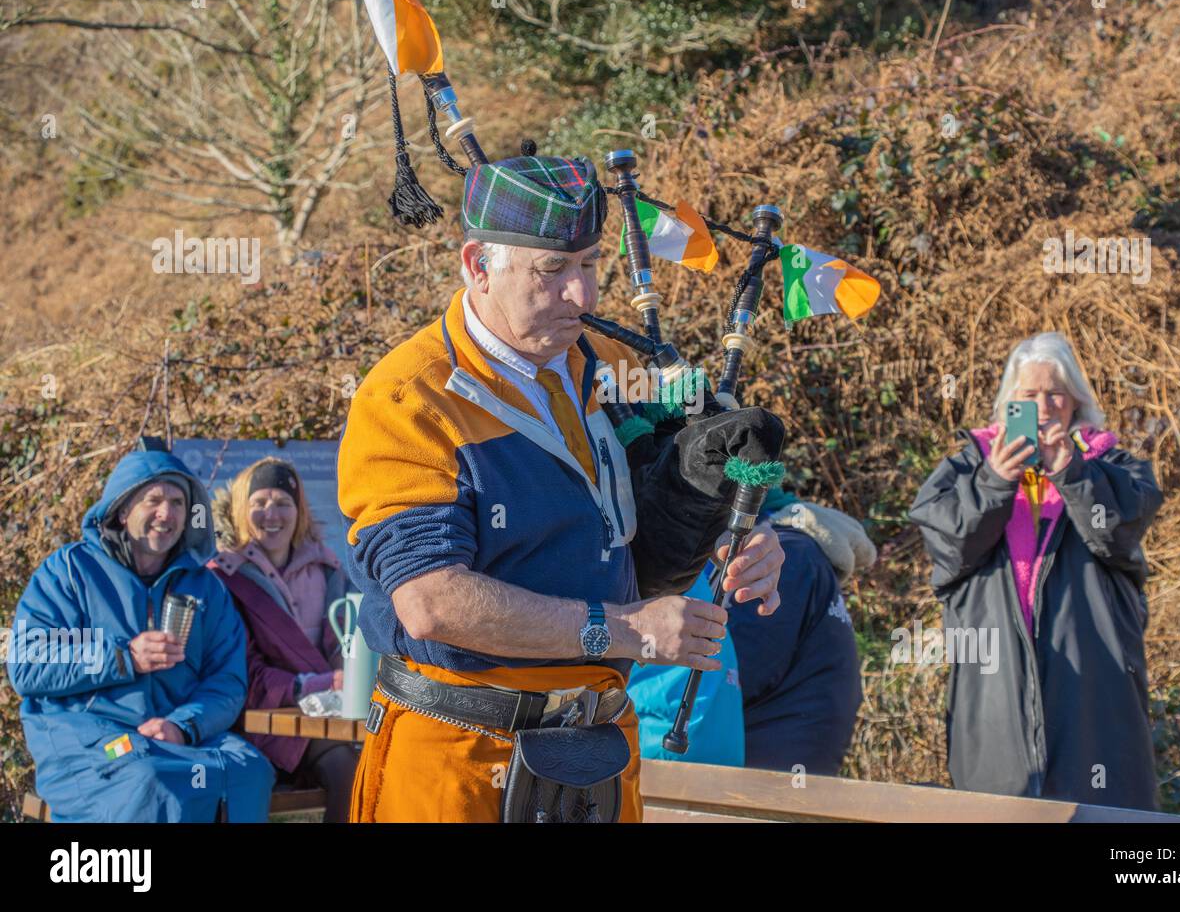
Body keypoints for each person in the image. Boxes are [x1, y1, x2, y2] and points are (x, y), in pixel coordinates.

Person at [337, 152, 786, 822]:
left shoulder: (611, 367)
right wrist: (626, 628)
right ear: (476, 266)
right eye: (552, 271)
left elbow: (670, 488)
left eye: (589, 265)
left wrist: (741, 533)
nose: (584, 297)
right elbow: (430, 602)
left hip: (598, 751)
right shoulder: (408, 400)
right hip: (459, 763)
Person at [908, 332, 1163, 810]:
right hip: (994, 686)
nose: (1043, 406)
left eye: (1055, 393)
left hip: (1094, 689)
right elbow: (948, 546)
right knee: (1000, 812)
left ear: (1076, 403)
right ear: (1010, 403)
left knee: (1100, 812)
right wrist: (993, 482)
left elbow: (1118, 534)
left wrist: (1074, 473)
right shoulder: (968, 467)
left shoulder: (1113, 467)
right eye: (1029, 395)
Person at [6, 449, 274, 822]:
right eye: (153, 500)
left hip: (173, 738)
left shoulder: (205, 588)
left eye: (178, 502)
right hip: (92, 742)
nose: (167, 513)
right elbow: (28, 663)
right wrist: (122, 657)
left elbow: (227, 681)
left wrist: (182, 726)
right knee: (145, 777)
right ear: (121, 510)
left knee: (248, 771)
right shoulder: (66, 572)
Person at [631, 495, 872, 775]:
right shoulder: (807, 559)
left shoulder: (789, 562)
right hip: (798, 769)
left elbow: (727, 669)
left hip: (764, 775)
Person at [208, 457, 360, 823]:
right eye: (258, 504)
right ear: (240, 510)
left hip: (327, 717)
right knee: (346, 767)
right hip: (254, 722)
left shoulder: (330, 570)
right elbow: (242, 671)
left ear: (300, 510)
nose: (271, 514)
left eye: (282, 503)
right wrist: (320, 683)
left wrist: (349, 678)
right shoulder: (223, 579)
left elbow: (350, 643)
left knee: (372, 765)